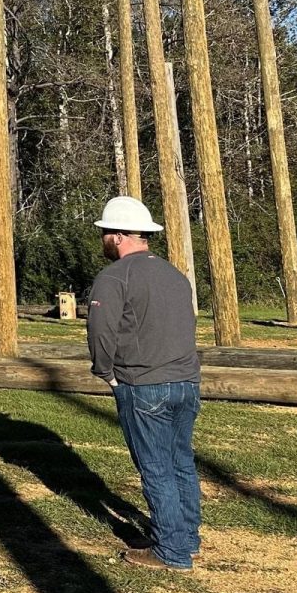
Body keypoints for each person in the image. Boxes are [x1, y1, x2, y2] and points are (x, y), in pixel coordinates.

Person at [87, 195, 201, 572]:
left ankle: (170, 550)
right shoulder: (174, 274)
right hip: (185, 381)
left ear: (118, 236)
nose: (103, 239)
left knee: (155, 467)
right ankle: (186, 537)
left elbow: (100, 332)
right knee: (180, 461)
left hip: (142, 382)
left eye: (105, 233)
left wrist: (107, 373)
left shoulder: (114, 277)